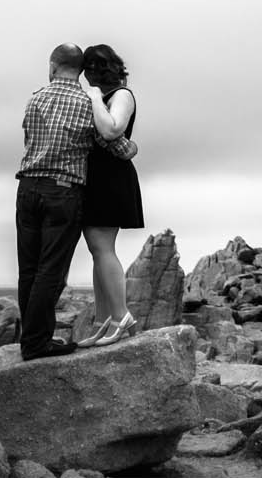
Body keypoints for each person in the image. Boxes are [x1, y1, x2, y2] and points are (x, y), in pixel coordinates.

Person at [13, 44, 108, 359]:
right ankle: (36, 343)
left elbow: (29, 137)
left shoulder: (35, 98)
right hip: (63, 191)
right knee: (50, 272)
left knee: (28, 270)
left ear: (53, 66)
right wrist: (130, 148)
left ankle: (31, 340)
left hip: (27, 188)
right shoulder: (86, 103)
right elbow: (110, 141)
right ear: (79, 70)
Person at [74, 43, 144, 347]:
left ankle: (120, 316)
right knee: (96, 249)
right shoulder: (103, 96)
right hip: (95, 179)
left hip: (112, 179)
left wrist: (92, 97)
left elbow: (112, 130)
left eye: (87, 70)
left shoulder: (121, 96)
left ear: (94, 69)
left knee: (103, 247)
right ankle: (104, 320)